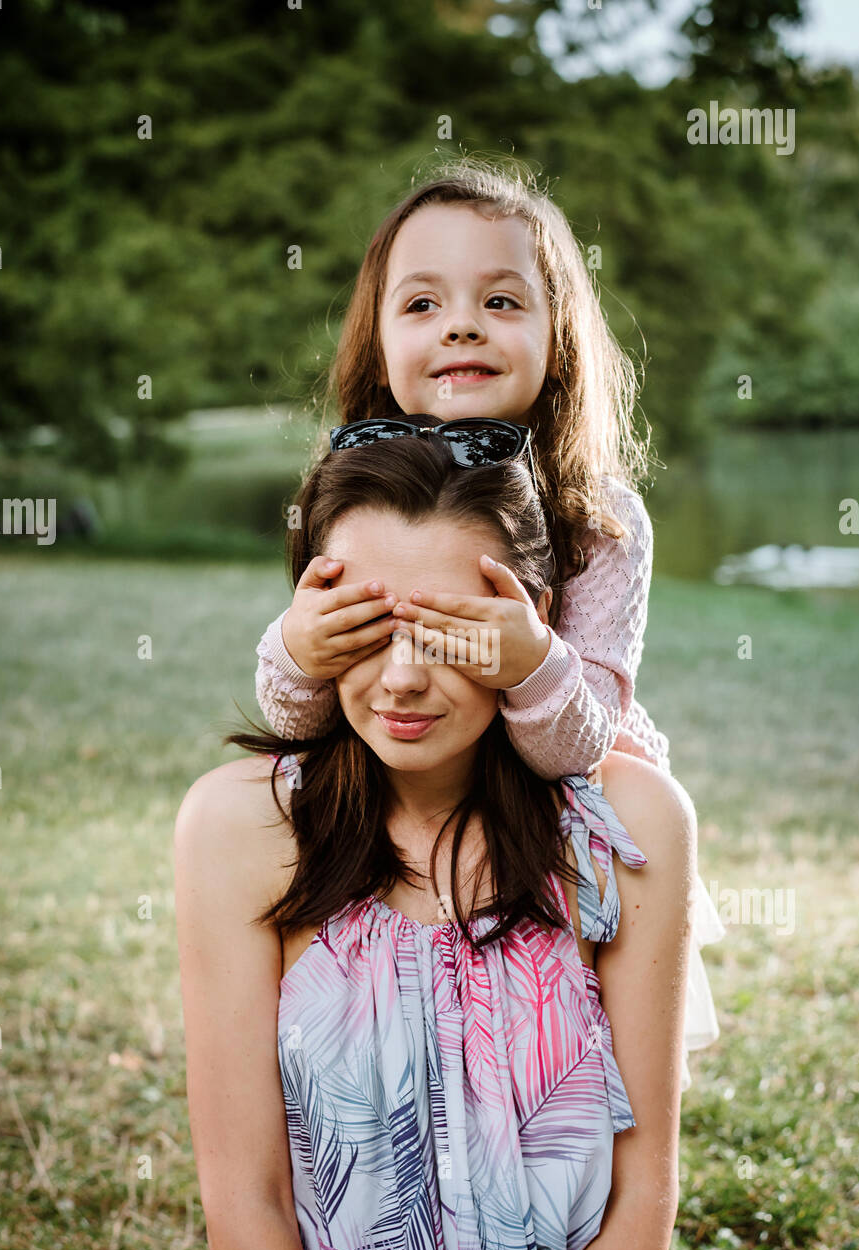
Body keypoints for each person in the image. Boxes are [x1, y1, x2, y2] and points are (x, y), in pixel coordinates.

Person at [174, 431, 696, 1250]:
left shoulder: (629, 830)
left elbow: (642, 1192)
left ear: (528, 622)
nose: (404, 679)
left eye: (449, 631)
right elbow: (245, 1199)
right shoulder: (242, 829)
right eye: (366, 629)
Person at [251, 156, 723, 1089]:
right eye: (421, 304)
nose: (461, 322)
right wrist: (296, 650)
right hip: (403, 796)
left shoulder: (600, 516)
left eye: (501, 301)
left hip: (548, 802)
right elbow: (302, 716)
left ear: (559, 338)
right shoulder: (353, 494)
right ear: (378, 342)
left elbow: (578, 740)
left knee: (569, 1065)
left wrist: (530, 661)